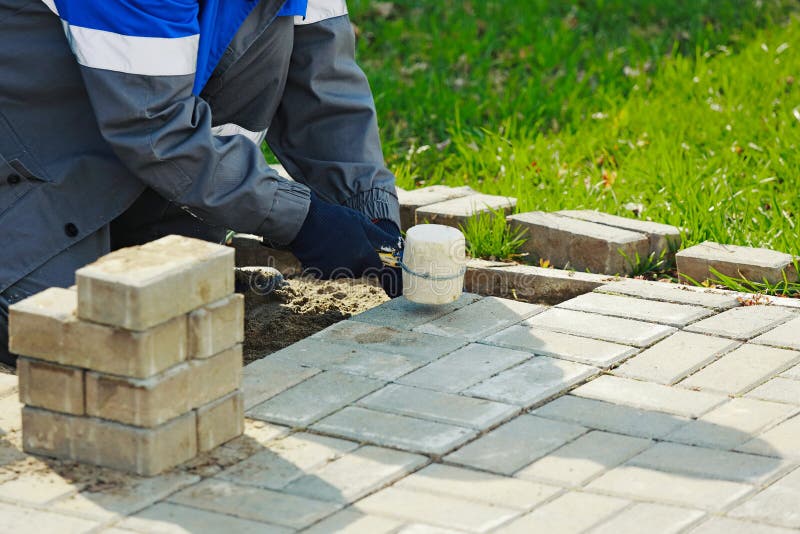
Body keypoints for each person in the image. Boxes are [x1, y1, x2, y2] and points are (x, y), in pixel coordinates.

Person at [0, 0, 403, 366]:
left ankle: (162, 241)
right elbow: (154, 128)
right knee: (60, 343)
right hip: (27, 154)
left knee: (161, 315)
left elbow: (323, 79)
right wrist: (303, 219)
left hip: (130, 128)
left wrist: (369, 214)